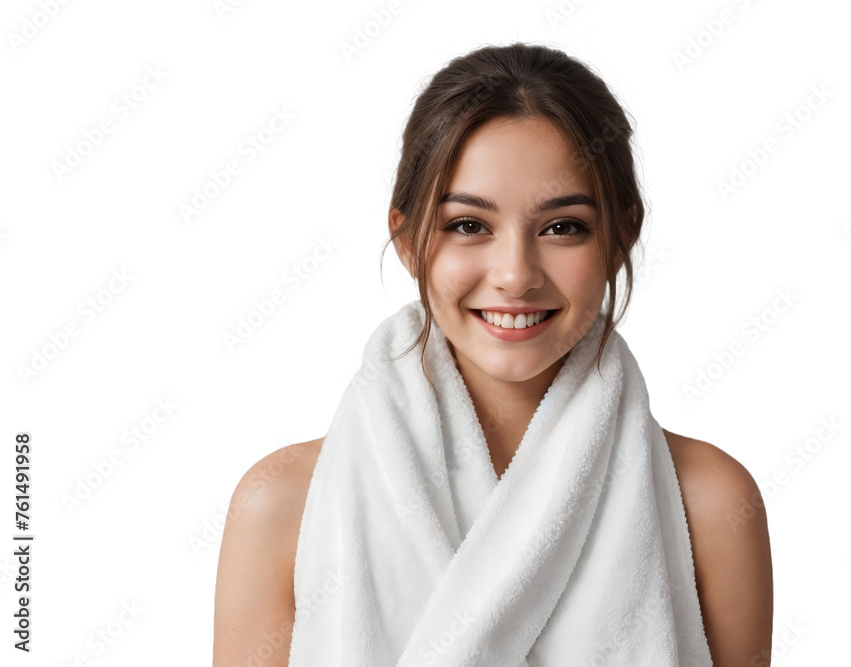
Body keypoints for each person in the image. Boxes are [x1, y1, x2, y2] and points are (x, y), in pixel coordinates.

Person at [214, 42, 772, 666]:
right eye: (468, 225)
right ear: (408, 240)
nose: (515, 275)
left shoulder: (712, 502)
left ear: (621, 238)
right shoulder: (281, 504)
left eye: (563, 227)